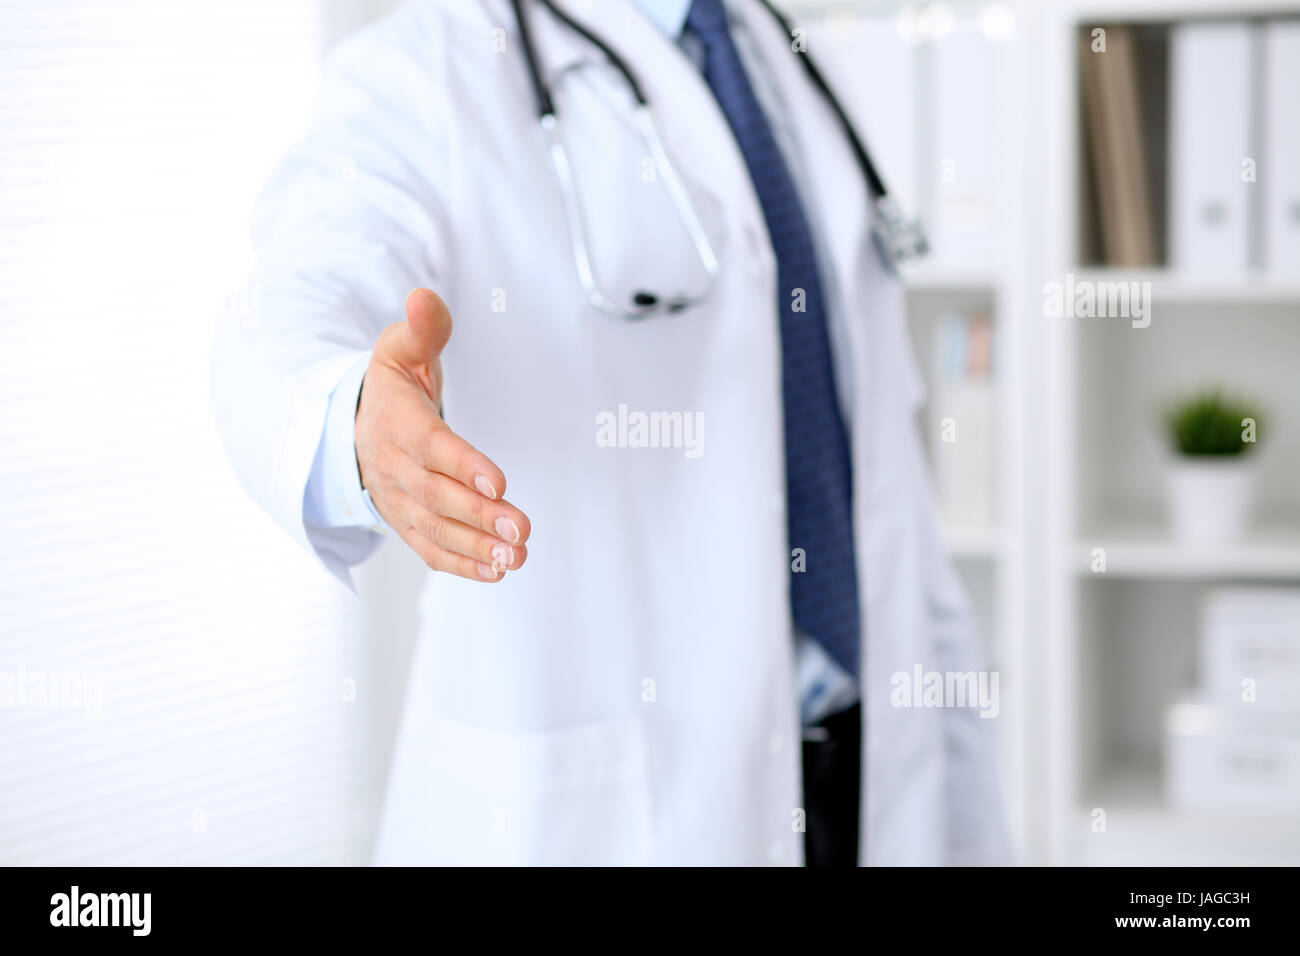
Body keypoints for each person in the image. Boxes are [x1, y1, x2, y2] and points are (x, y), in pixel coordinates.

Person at [213, 0, 1010, 865]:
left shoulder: (782, 52)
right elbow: (295, 295)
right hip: (616, 817)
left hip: (868, 773)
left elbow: (883, 476)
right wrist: (352, 420)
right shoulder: (430, 65)